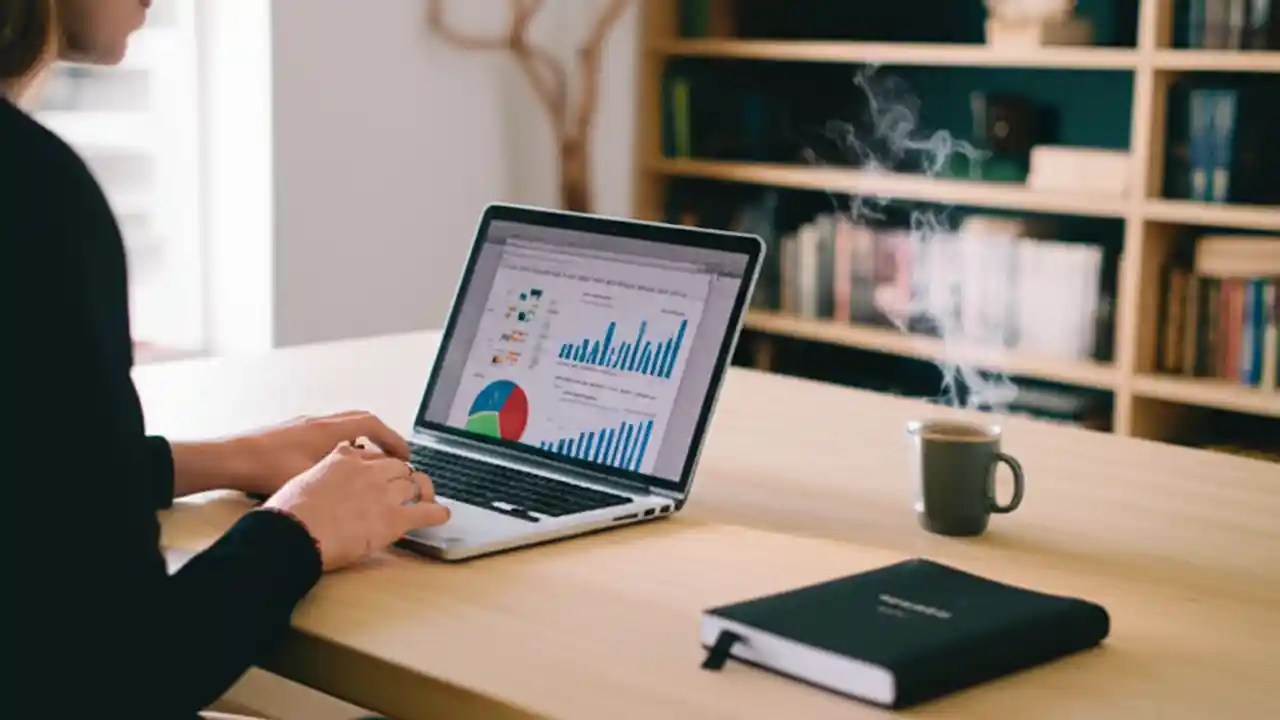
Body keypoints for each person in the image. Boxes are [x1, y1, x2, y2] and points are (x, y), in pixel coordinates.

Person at [3, 0, 452, 715]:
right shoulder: (31, 199)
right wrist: (300, 528)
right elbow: (116, 675)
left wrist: (226, 459)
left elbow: (25, 480)